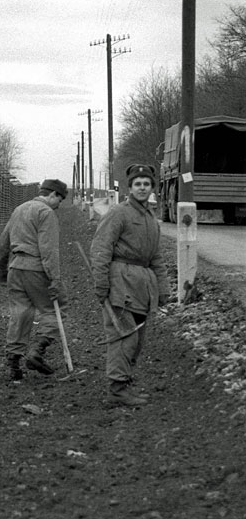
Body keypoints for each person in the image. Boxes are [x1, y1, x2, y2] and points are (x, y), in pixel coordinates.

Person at [90, 163, 168, 407]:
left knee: (138, 339)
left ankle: (124, 383)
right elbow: (101, 249)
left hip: (142, 286)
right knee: (124, 338)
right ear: (130, 188)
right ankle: (117, 389)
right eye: (138, 184)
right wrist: (101, 284)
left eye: (146, 184)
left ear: (152, 188)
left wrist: (164, 289)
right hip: (120, 283)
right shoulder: (119, 213)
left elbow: (155, 257)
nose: (142, 188)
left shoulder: (150, 219)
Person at [0, 179, 68, 381]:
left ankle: (14, 363)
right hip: (36, 269)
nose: (59, 205)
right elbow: (49, 249)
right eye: (59, 199)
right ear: (52, 195)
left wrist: (1, 268)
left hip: (15, 268)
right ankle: (37, 351)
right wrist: (54, 279)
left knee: (20, 313)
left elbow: (3, 243)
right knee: (53, 307)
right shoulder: (46, 214)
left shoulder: (19, 209)